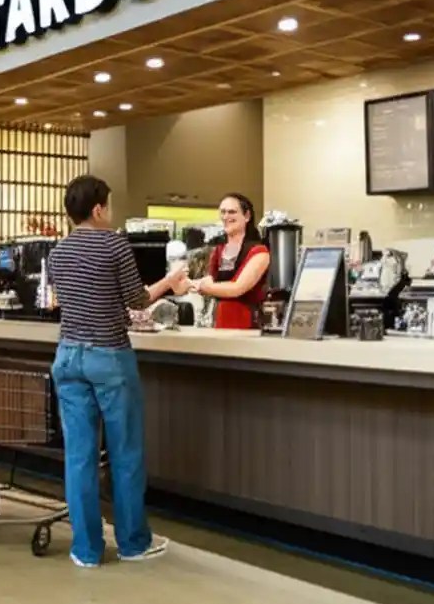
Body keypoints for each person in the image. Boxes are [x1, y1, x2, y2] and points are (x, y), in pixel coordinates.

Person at [47, 175, 184, 568]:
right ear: (98, 209)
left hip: (68, 357)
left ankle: (86, 550)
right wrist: (170, 283)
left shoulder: (58, 252)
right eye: (109, 204)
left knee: (79, 457)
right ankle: (132, 543)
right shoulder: (114, 244)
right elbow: (137, 300)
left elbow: (69, 300)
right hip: (109, 356)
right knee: (124, 453)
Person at [185, 193, 270, 330]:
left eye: (232, 212)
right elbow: (210, 281)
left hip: (247, 325)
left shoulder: (259, 252)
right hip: (219, 323)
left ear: (247, 216)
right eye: (223, 212)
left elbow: (238, 288)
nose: (226, 217)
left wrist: (203, 286)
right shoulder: (219, 251)